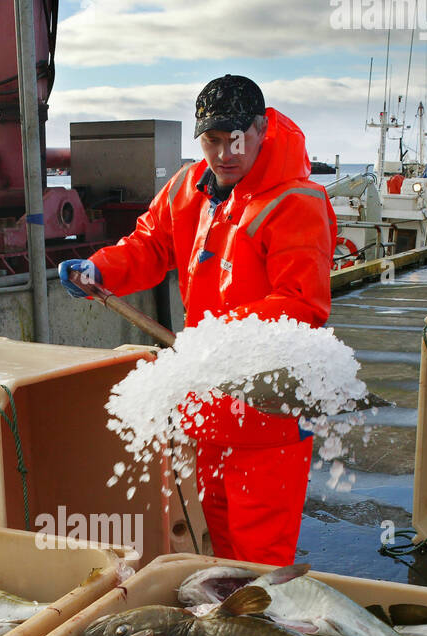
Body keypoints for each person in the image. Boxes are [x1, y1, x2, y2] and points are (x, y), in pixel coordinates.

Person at [59, 76, 337, 565]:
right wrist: (101, 268)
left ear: (260, 128)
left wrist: (211, 342)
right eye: (211, 140)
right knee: (219, 545)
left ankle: (264, 635)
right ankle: (228, 629)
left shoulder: (298, 203)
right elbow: (150, 245)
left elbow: (300, 306)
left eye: (236, 139)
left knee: (262, 561)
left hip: (267, 412)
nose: (224, 152)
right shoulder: (189, 186)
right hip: (207, 405)